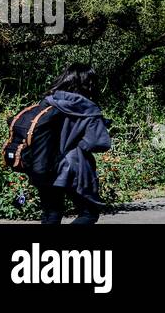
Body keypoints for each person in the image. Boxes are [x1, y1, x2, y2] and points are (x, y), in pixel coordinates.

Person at [36, 64, 112, 225]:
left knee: (51, 214)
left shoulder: (47, 102)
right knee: (89, 213)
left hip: (45, 165)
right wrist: (79, 145)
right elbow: (99, 142)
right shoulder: (89, 108)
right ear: (88, 82)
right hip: (74, 167)